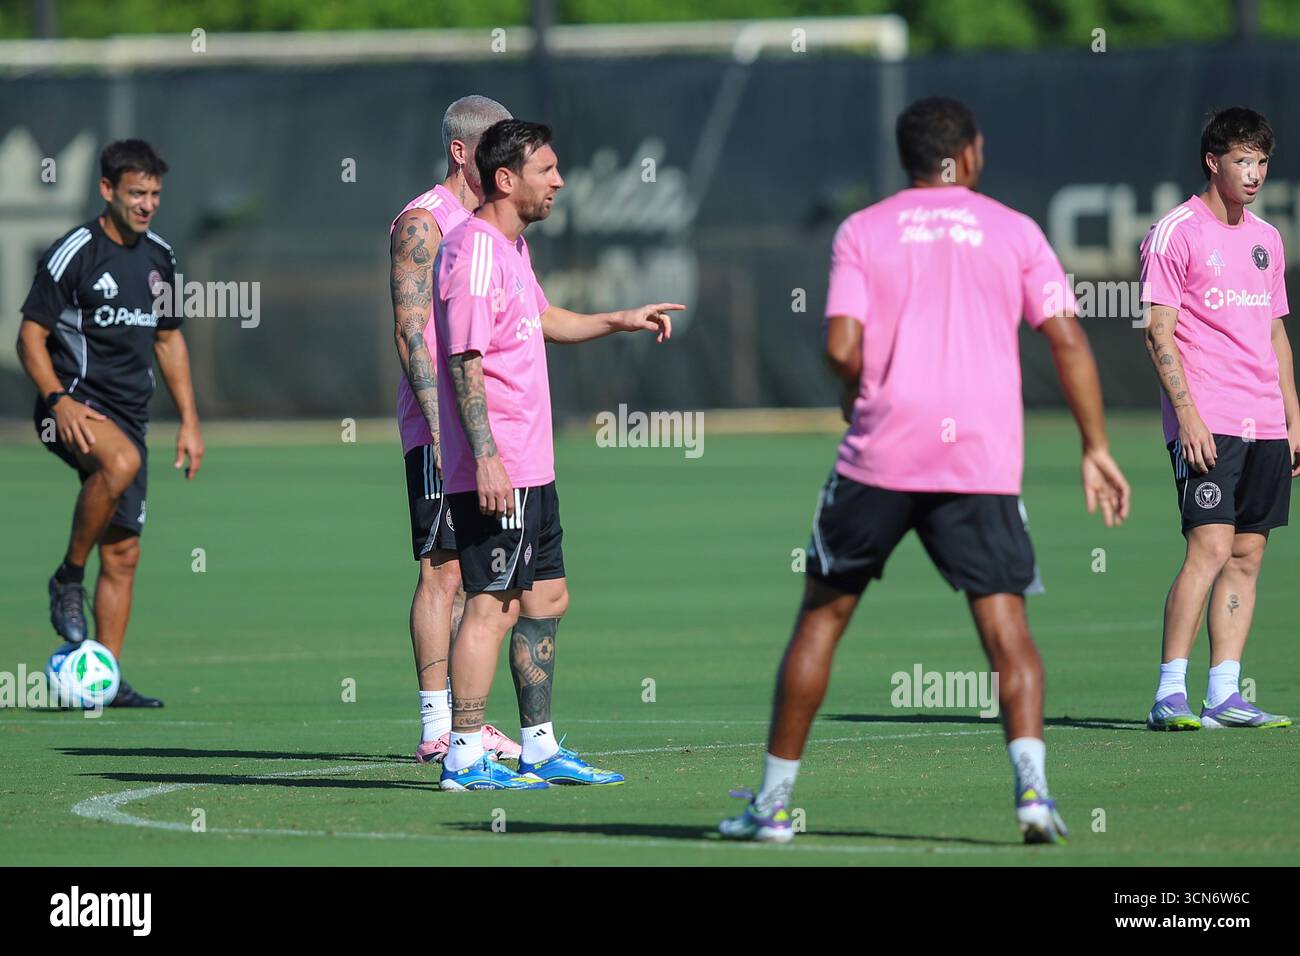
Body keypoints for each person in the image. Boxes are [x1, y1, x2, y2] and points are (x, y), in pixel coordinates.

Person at [720, 97, 1130, 843]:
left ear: (909, 159)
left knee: (822, 618)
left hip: (882, 453)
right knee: (1007, 631)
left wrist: (854, 389)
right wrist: (1095, 446)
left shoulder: (863, 228)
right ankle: (1034, 796)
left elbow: (843, 347)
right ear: (969, 155)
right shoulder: (1015, 230)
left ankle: (773, 806)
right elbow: (1067, 340)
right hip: (978, 458)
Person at [432, 119, 683, 790]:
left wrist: (618, 318)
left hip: (531, 466)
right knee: (492, 603)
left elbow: (543, 319)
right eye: (548, 170)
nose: (560, 182)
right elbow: (463, 358)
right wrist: (485, 458)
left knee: (546, 596)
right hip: (500, 465)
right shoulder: (474, 250)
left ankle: (537, 747)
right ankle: (462, 756)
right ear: (507, 179)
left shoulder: (512, 249)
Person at [16, 139, 204, 707]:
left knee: (124, 551)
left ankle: (105, 676)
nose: (147, 205)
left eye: (154, 195)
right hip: (69, 401)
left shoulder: (160, 257)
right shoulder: (75, 250)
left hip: (129, 415)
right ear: (107, 191)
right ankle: (68, 577)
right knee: (117, 463)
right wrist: (56, 400)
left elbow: (169, 340)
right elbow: (29, 337)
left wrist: (191, 421)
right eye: (136, 194)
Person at [1140, 106, 1295, 731]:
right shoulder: (1176, 231)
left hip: (1266, 422)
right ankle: (1169, 693)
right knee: (1207, 546)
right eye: (1242, 161)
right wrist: (1189, 416)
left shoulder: (1267, 238)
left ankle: (1225, 694)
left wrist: (1294, 416)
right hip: (1209, 418)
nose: (1254, 174)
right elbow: (1157, 331)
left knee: (1248, 554)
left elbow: (1277, 333)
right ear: (1214, 162)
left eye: (1261, 161)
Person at [389, 94, 521, 763]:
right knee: (442, 572)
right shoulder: (425, 221)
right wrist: (441, 426)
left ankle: (468, 722)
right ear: (462, 152)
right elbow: (412, 331)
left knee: (489, 578)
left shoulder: (497, 228)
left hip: (498, 431)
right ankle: (438, 726)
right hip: (445, 428)